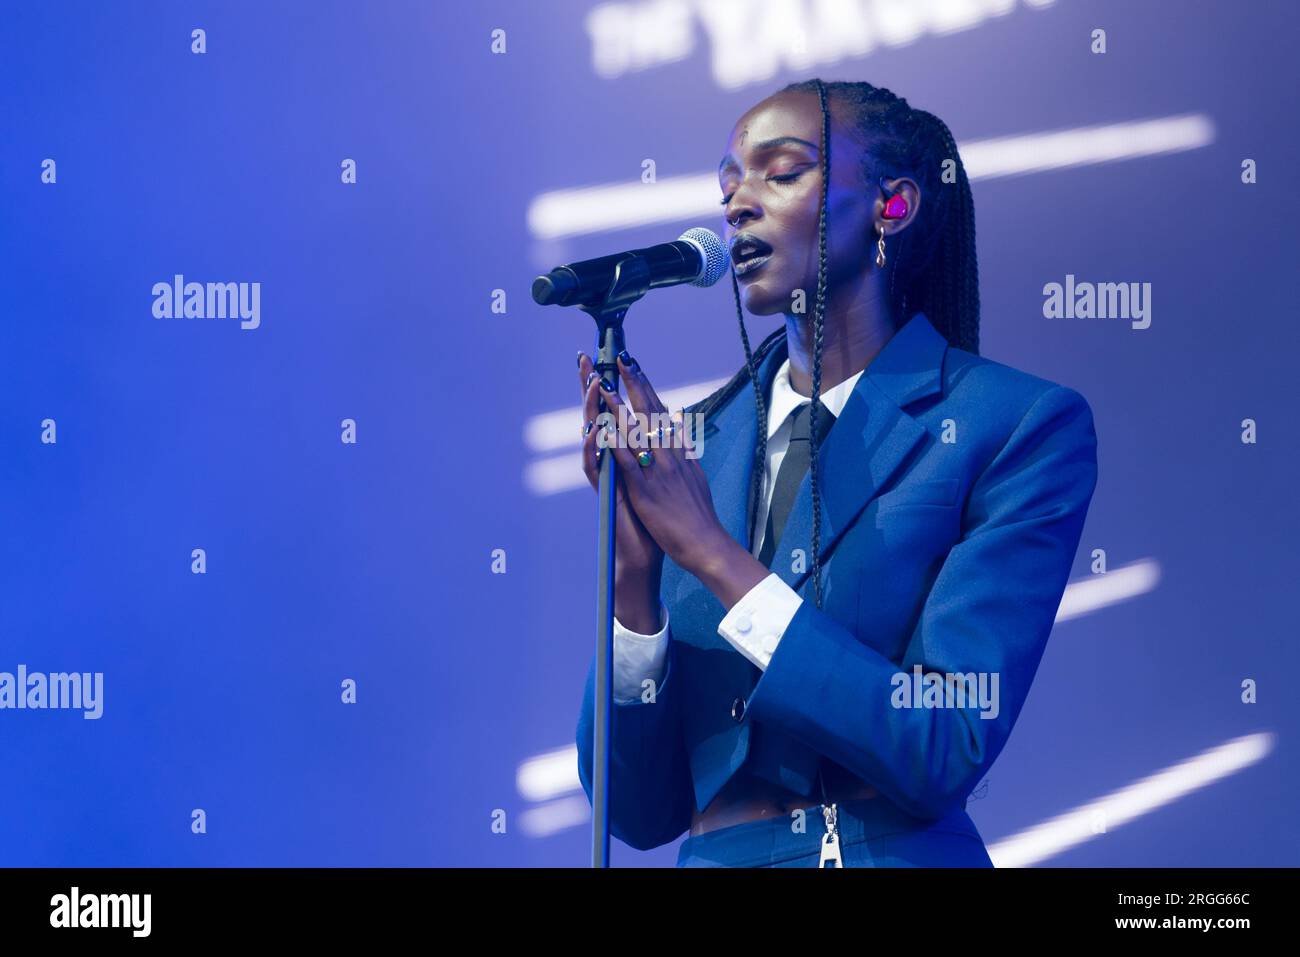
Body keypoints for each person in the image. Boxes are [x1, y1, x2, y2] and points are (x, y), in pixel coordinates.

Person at [573, 78, 1098, 867]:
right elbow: (640, 813)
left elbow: (943, 745)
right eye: (729, 185)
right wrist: (634, 582)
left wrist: (711, 554)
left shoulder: (1011, 425)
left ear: (892, 206)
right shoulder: (699, 446)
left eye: (781, 173)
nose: (738, 205)